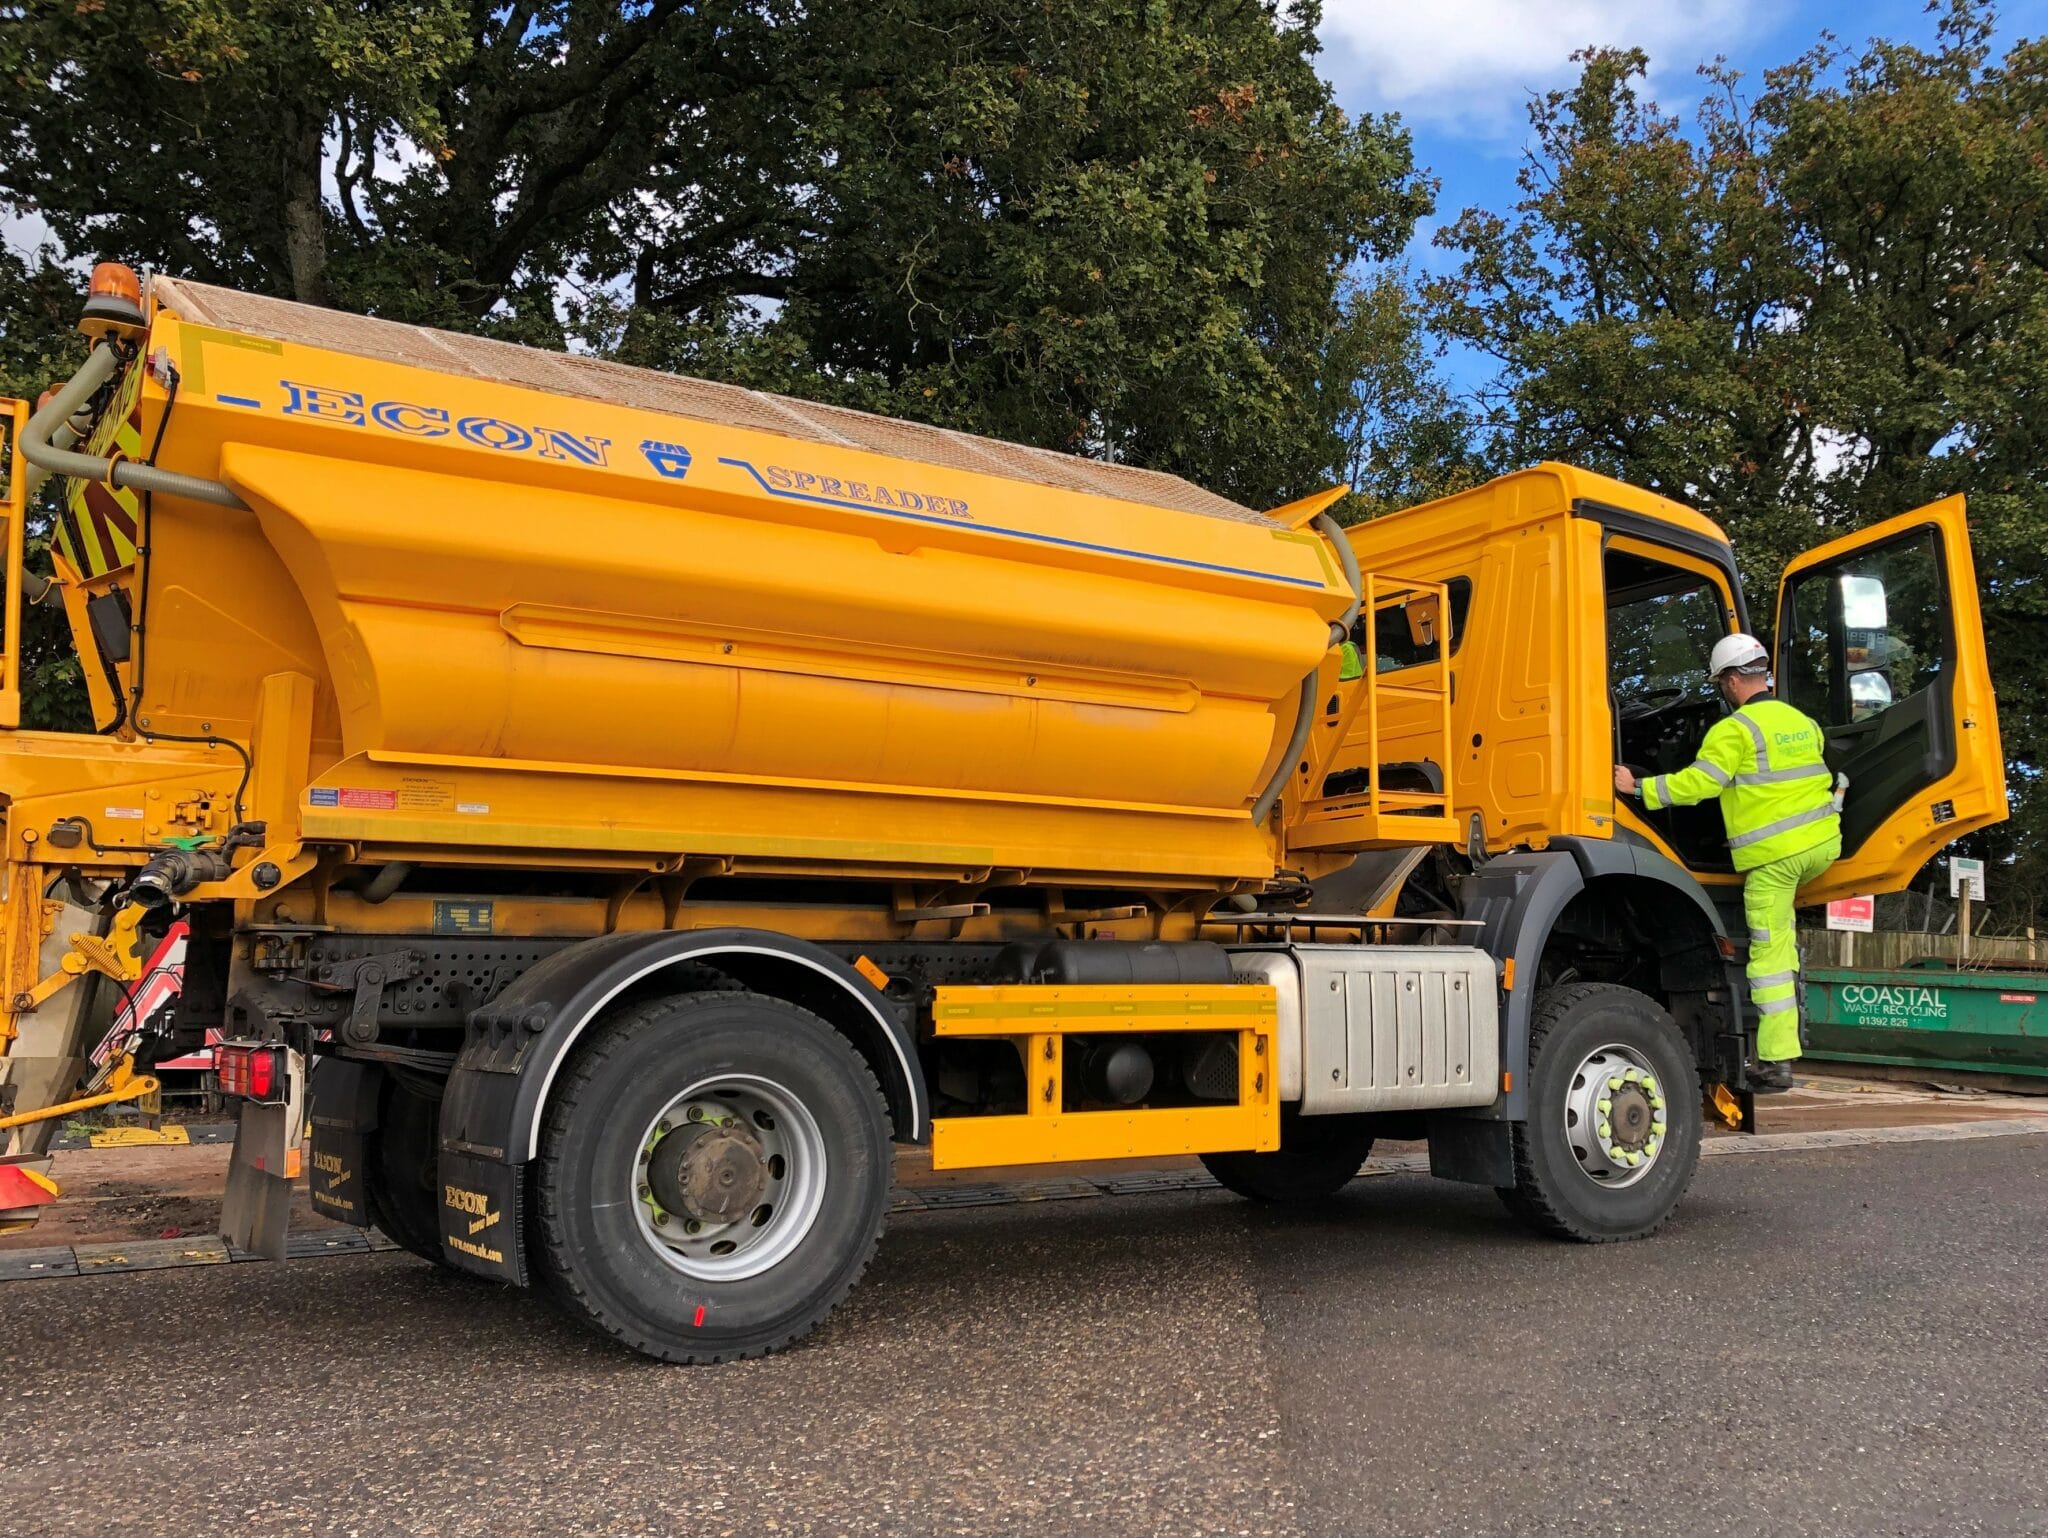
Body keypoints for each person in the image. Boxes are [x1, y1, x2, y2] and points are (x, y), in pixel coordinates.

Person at [1613, 634, 1841, 1092]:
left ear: (1734, 680)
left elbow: (1700, 785)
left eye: (1721, 682)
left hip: (1775, 859)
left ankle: (1776, 1063)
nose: (1722, 690)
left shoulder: (1734, 730)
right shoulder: (1802, 722)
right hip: (1822, 846)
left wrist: (1637, 788)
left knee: (1770, 958)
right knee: (1783, 942)